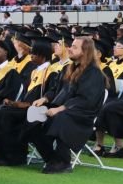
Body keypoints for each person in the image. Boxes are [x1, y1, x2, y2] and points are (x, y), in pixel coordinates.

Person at [28, 36, 107, 173]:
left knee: (61, 118)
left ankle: (64, 161)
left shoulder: (93, 73)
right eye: (71, 46)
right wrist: (45, 99)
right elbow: (58, 89)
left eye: (75, 47)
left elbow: (85, 100)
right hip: (64, 109)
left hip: (82, 115)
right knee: (32, 118)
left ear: (85, 51)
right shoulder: (69, 69)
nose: (69, 49)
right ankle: (52, 158)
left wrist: (60, 108)